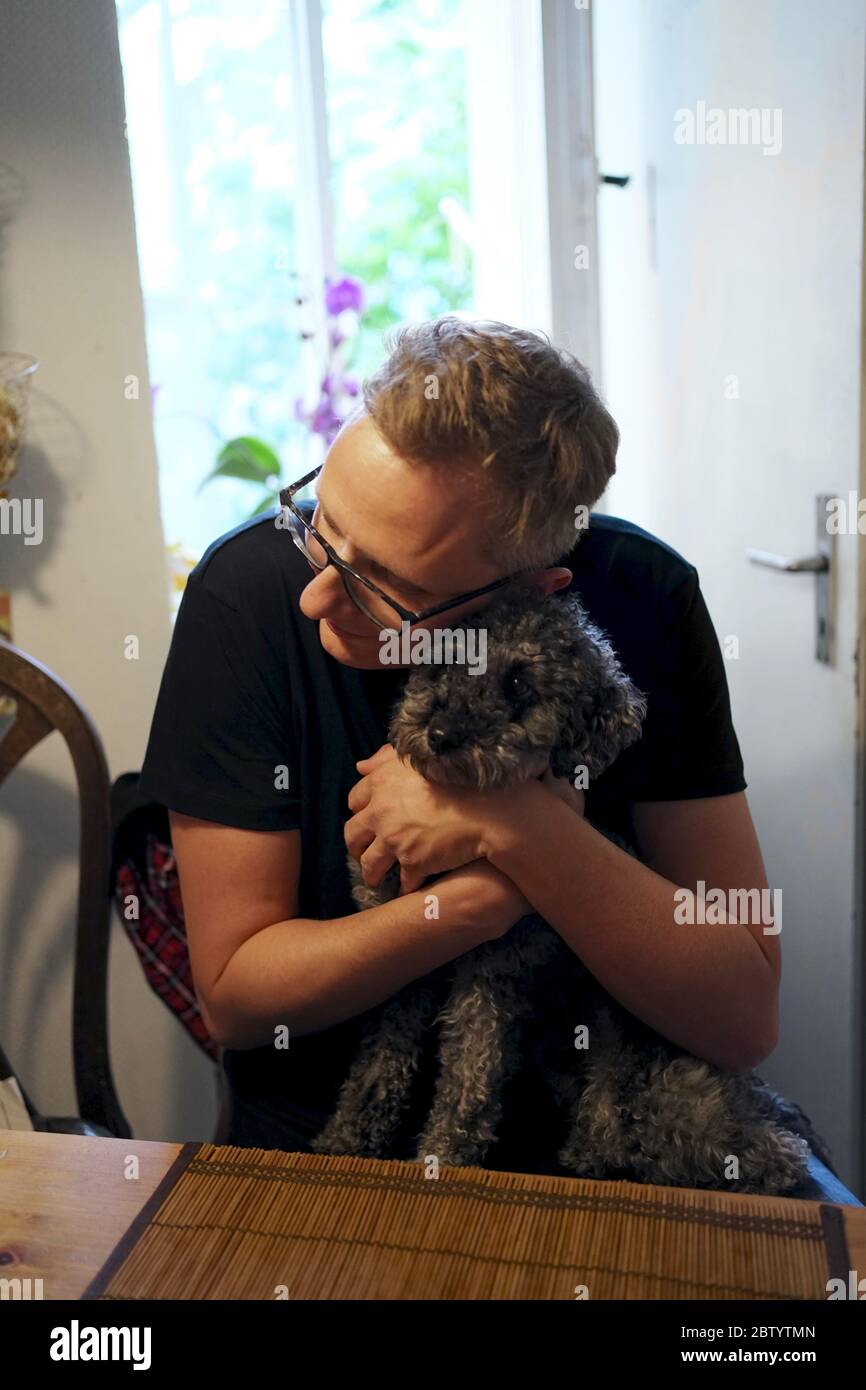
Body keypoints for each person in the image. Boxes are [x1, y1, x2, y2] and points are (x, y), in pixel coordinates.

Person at [137, 315, 775, 1175]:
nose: (319, 596)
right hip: (327, 1153)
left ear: (535, 593)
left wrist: (521, 831)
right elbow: (241, 995)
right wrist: (475, 904)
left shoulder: (645, 604)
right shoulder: (243, 600)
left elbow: (742, 1014)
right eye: (318, 523)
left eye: (386, 586)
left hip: (603, 1149)